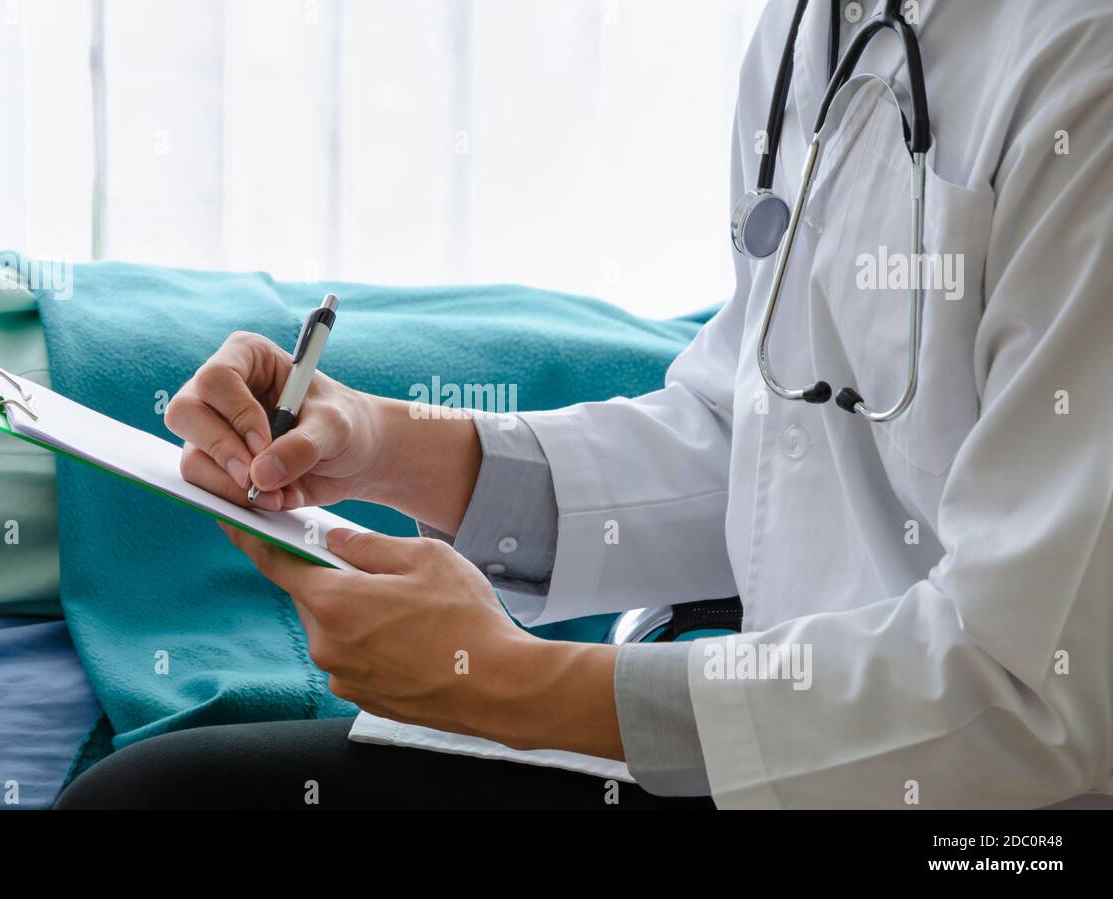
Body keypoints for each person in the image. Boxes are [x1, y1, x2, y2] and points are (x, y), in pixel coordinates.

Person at [62, 0, 1107, 809]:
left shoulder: (1082, 74)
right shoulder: (813, 27)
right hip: (793, 732)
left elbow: (1032, 698)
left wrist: (510, 681)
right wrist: (387, 444)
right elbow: (764, 433)